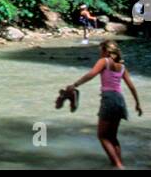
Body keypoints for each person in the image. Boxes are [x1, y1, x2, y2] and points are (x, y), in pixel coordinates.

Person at [60, 39, 142, 168]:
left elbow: (92, 74)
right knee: (113, 137)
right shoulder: (122, 67)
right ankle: (117, 164)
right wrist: (138, 104)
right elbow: (131, 86)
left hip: (109, 99)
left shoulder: (104, 61)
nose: (99, 53)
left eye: (100, 50)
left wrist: (75, 85)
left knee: (102, 136)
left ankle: (118, 166)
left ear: (105, 51)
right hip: (120, 100)